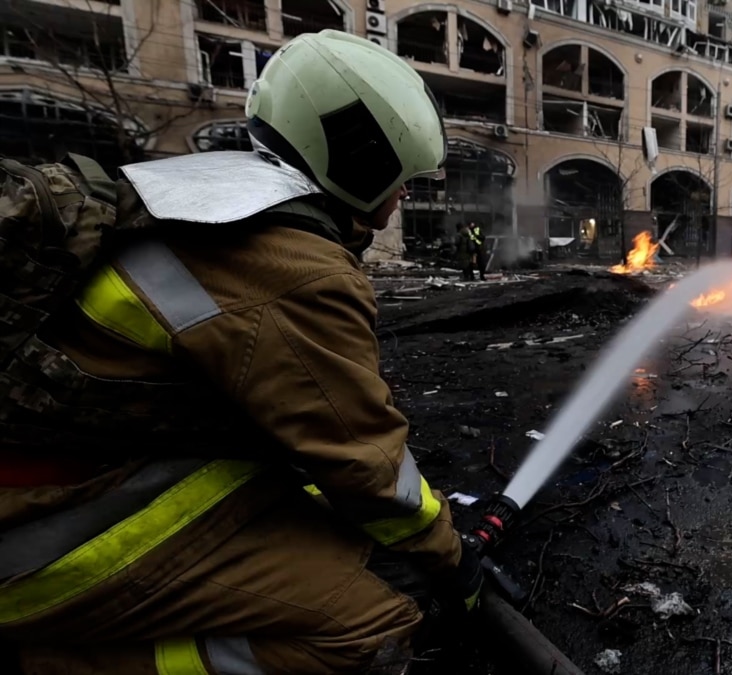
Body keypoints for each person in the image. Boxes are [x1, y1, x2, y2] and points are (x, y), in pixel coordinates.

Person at [0, 30, 481, 674]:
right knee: (369, 627)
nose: (400, 204)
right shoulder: (297, 265)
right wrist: (455, 563)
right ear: (361, 161)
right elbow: (368, 468)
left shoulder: (188, 192)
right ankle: (56, 663)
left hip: (62, 480)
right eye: (401, 182)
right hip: (44, 542)